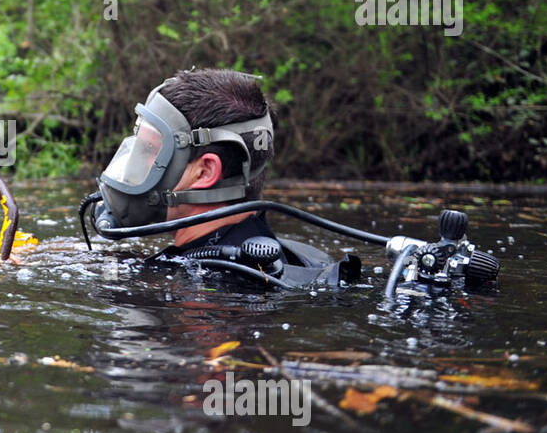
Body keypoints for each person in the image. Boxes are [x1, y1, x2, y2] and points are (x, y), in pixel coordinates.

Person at [91, 68, 359, 287]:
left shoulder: (205, 291)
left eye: (150, 149)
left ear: (206, 172)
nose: (135, 161)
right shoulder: (300, 260)